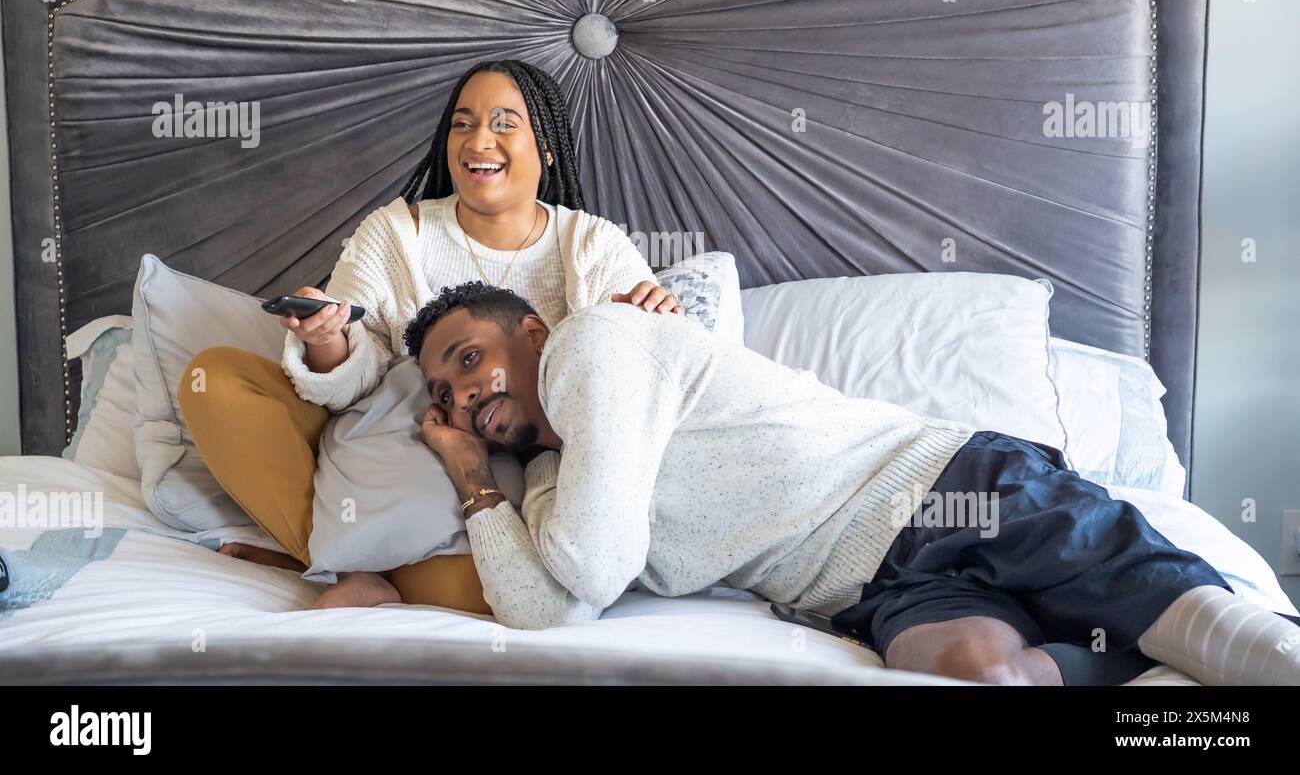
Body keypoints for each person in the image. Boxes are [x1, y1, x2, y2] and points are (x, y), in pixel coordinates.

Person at [410, 280, 1300, 686]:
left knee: (1232, 643)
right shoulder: (547, 480)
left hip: (951, 484)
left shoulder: (592, 341)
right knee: (984, 678)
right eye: (443, 394)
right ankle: (1134, 659)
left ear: (529, 328)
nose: (463, 393)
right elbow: (553, 613)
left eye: (468, 357)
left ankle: (1189, 640)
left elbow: (593, 568)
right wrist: (471, 476)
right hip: (871, 589)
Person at [178, 59, 680, 611]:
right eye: (462, 124)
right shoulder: (396, 232)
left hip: (500, 471)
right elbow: (348, 380)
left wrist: (658, 319)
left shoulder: (594, 247)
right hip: (379, 449)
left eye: (505, 123)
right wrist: (326, 338)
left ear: (548, 148)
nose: (478, 140)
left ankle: (342, 565)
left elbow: (644, 389)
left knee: (514, 595)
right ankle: (331, 558)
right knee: (214, 380)